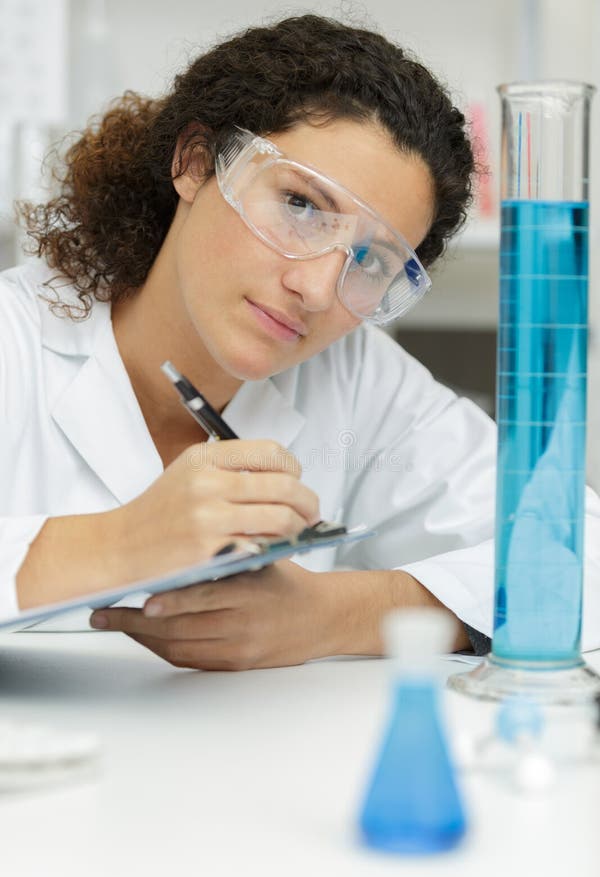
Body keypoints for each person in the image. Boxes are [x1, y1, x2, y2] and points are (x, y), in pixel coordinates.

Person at [2, 14, 599, 669]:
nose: (319, 289)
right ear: (196, 162)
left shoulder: (356, 377)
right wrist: (117, 545)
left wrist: (336, 616)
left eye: (370, 260)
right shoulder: (17, 339)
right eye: (301, 206)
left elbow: (576, 550)